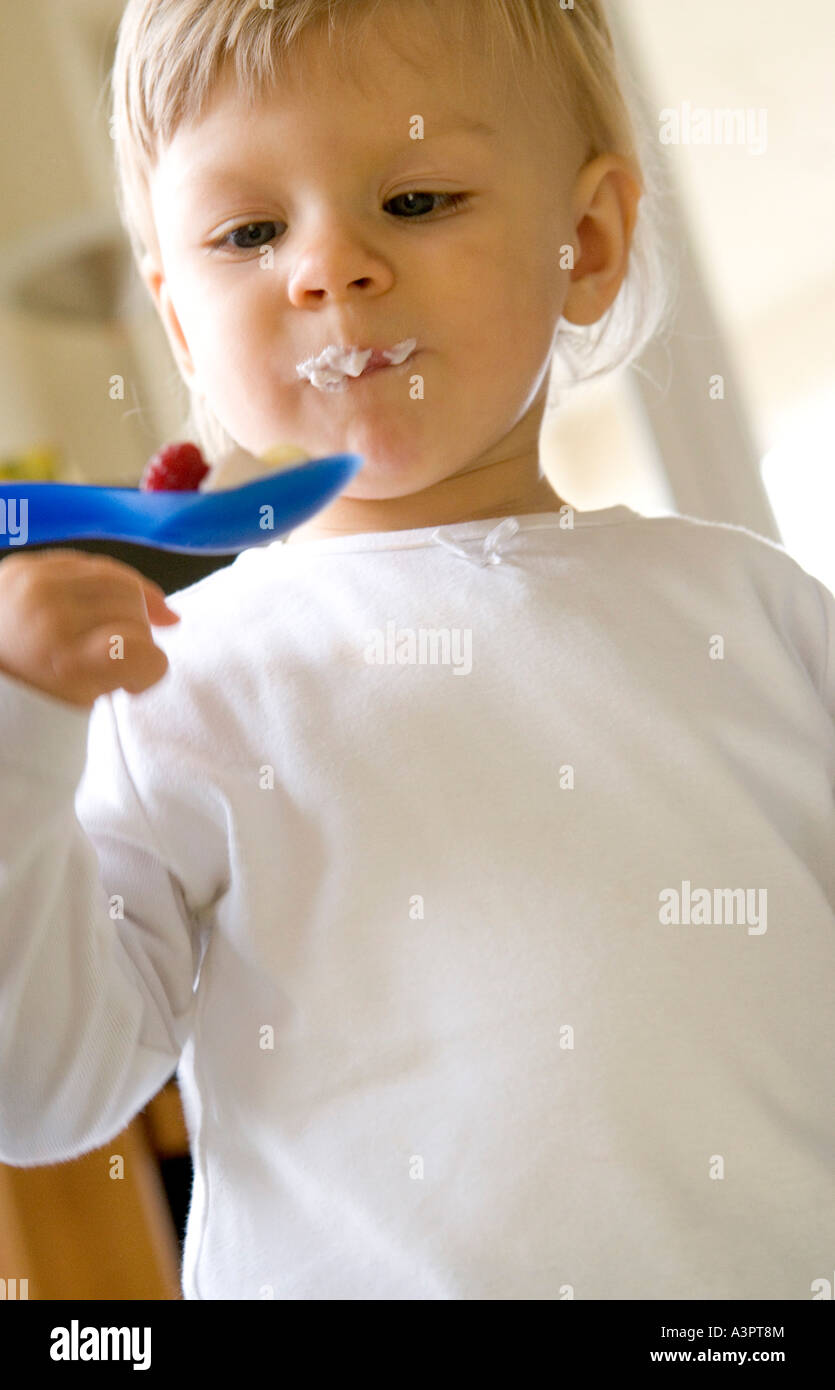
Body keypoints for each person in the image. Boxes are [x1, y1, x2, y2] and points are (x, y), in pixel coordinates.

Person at [0, 0, 832, 1301]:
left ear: (592, 239)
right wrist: (19, 730)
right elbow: (39, 1093)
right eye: (251, 232)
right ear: (175, 317)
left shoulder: (762, 614)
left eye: (420, 197)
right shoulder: (174, 677)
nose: (328, 266)